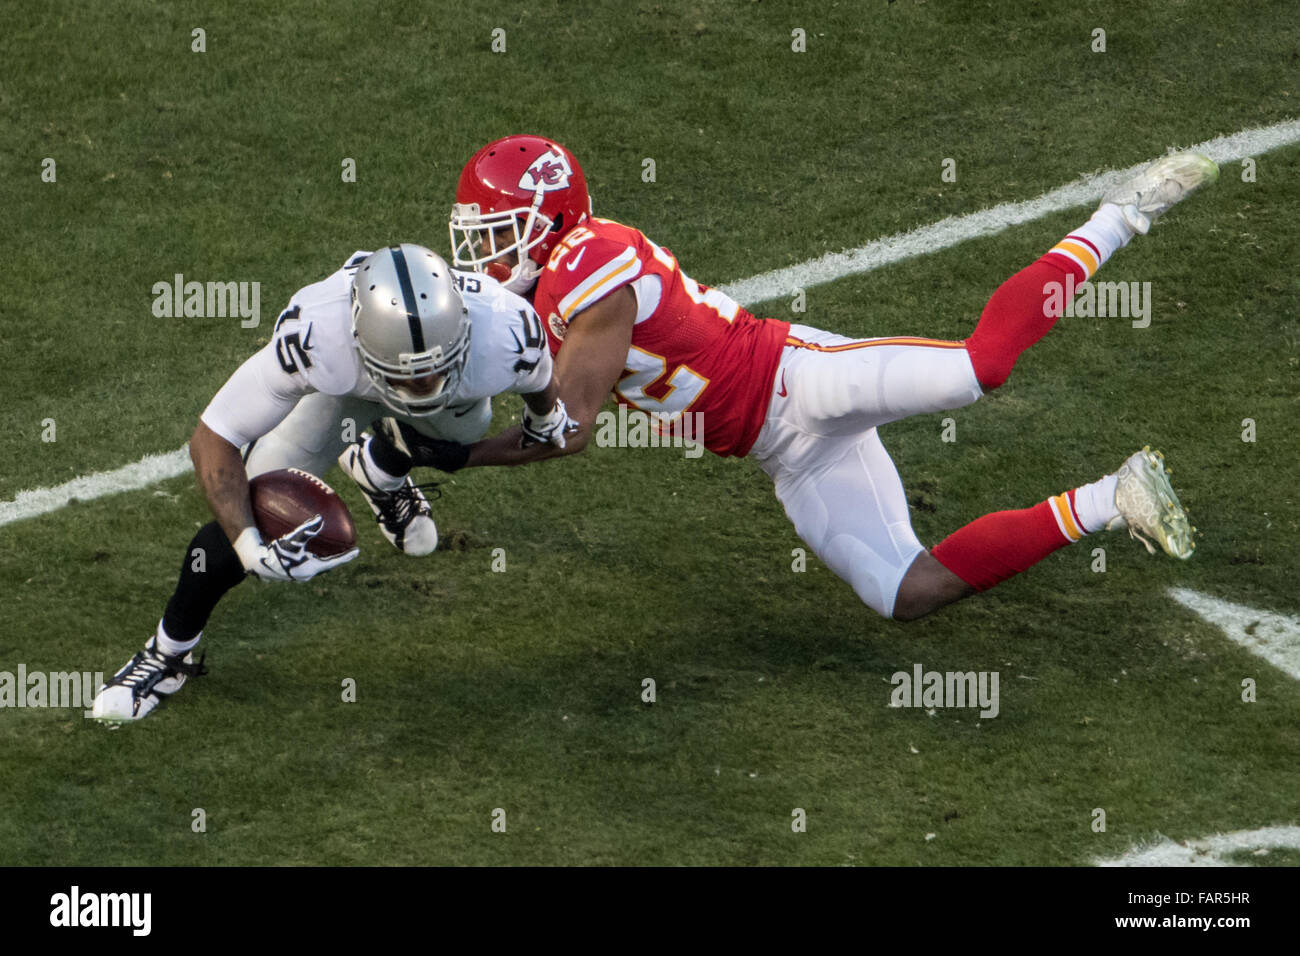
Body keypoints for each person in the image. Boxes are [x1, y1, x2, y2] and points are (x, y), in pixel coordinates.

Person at [385, 135, 1216, 622]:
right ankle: (1114, 497)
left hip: (795, 379)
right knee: (905, 592)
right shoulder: (547, 286)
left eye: (498, 233)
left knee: (979, 369)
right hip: (784, 452)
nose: (483, 255)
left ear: (551, 223)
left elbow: (566, 429)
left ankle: (1123, 212)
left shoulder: (586, 266)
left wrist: (453, 456)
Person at [92, 244, 571, 722]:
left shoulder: (507, 332)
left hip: (439, 402)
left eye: (434, 371)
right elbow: (213, 437)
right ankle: (167, 653)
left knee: (463, 426)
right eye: (406, 377)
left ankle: (381, 466)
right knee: (252, 509)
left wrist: (523, 430)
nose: (423, 387)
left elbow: (545, 405)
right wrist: (249, 547)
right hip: (342, 391)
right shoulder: (317, 336)